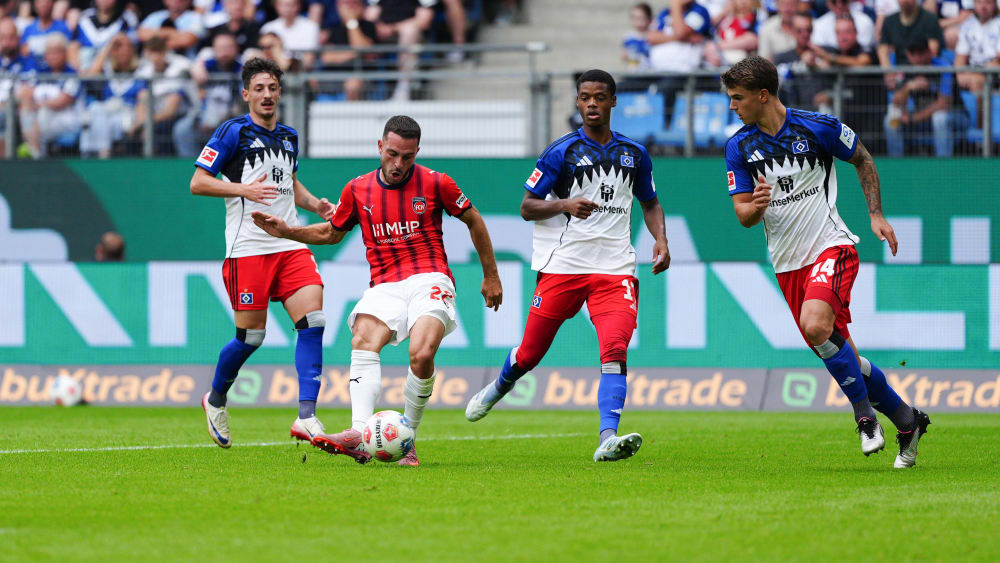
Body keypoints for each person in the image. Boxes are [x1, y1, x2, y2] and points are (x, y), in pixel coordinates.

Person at [251, 115, 503, 466]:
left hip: (430, 277)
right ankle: (358, 433)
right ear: (380, 147)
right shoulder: (357, 189)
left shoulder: (436, 183)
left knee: (422, 352)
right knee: (363, 339)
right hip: (385, 284)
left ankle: (408, 440)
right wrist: (288, 231)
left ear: (417, 153)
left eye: (408, 157)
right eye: (393, 154)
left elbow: (473, 218)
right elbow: (331, 233)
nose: (399, 164)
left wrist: (490, 275)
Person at [722, 55, 930, 468]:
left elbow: (863, 159)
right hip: (787, 266)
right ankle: (908, 421)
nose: (733, 106)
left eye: (738, 98)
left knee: (816, 325)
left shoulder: (819, 127)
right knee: (844, 355)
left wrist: (875, 214)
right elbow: (743, 216)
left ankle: (865, 418)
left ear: (763, 96)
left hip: (832, 247)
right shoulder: (738, 147)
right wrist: (758, 206)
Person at [464, 69, 671, 463]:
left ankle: (607, 437)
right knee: (529, 354)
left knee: (615, 348)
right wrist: (564, 204)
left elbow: (650, 203)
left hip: (616, 270)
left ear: (613, 102)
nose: (592, 103)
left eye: (599, 97)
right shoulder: (561, 151)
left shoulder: (634, 154)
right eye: (585, 97)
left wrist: (660, 238)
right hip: (565, 266)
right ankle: (496, 389)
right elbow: (527, 207)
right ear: (577, 102)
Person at [190, 57, 337, 450]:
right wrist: (243, 190)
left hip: (290, 243)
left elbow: (290, 183)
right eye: (259, 88)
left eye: (272, 88)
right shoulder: (232, 132)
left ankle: (307, 416)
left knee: (314, 320)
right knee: (251, 337)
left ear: (280, 93)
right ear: (245, 94)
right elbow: (198, 183)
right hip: (248, 248)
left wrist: (316, 206)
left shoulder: (289, 135)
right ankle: (216, 399)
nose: (267, 95)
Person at [883, 37, 967, 156]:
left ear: (929, 52)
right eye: (913, 54)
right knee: (890, 120)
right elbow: (896, 102)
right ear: (908, 54)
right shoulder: (906, 69)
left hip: (956, 116)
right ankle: (896, 166)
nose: (917, 58)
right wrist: (908, 88)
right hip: (924, 118)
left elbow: (944, 103)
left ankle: (943, 167)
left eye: (920, 53)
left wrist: (914, 118)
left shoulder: (944, 67)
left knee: (939, 118)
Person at [17, 32, 81, 158]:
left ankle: (35, 153)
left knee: (42, 113)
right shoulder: (41, 71)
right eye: (50, 52)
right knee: (25, 109)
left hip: (66, 120)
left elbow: (63, 101)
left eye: (57, 52)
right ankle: (35, 153)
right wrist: (34, 102)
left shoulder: (71, 73)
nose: (53, 56)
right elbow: (23, 92)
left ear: (65, 53)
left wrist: (38, 103)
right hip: (39, 119)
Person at [953, 0, 999, 98]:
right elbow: (960, 59)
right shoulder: (967, 25)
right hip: (974, 70)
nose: (983, 7)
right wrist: (959, 74)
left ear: (995, 4)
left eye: (988, 3)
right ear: (973, 4)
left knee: (981, 77)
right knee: (954, 79)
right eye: (979, 2)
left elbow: (997, 60)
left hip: (994, 73)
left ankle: (982, 113)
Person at [261, 0, 319, 69]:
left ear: (298, 6)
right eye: (282, 5)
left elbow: (308, 60)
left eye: (291, 5)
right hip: (272, 72)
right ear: (276, 6)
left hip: (300, 73)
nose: (287, 9)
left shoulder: (311, 27)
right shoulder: (267, 28)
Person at [811, 0, 875, 51]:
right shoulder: (820, 24)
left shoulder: (865, 21)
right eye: (834, 1)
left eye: (844, 1)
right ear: (827, 3)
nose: (839, 5)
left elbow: (865, 51)